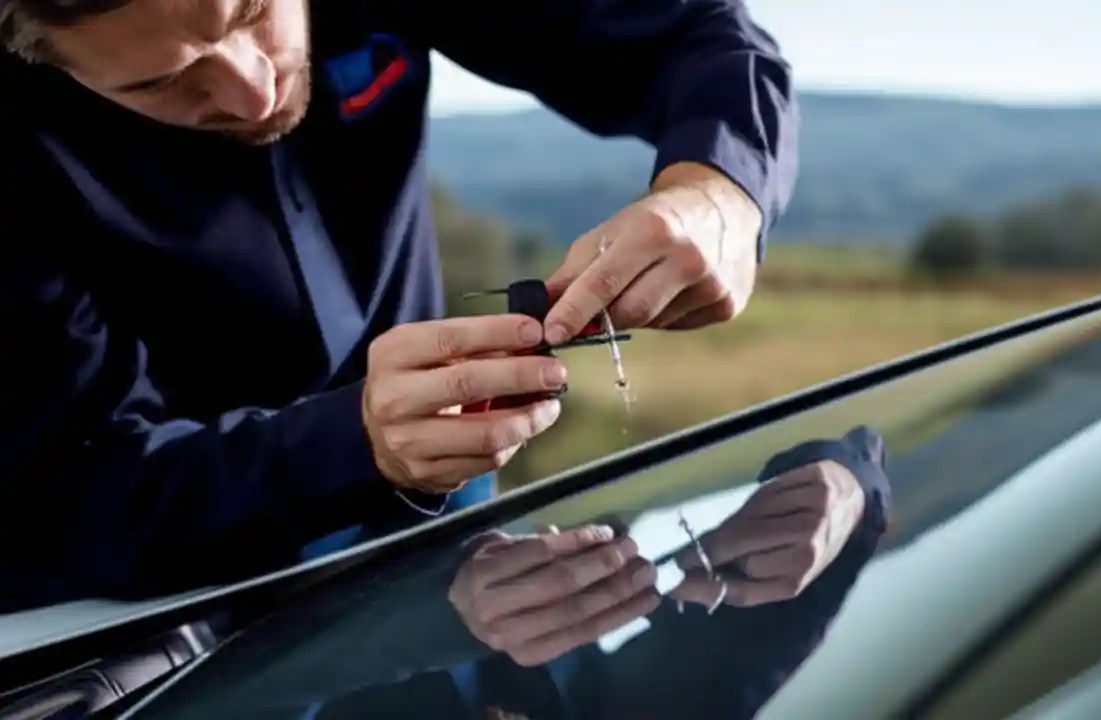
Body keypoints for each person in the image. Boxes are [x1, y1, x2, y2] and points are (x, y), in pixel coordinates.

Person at [0, 0, 797, 612]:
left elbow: (691, 33)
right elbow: (68, 499)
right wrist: (355, 444)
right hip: (184, 616)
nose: (252, 92)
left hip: (460, 528)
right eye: (161, 82)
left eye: (251, 12)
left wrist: (720, 192)